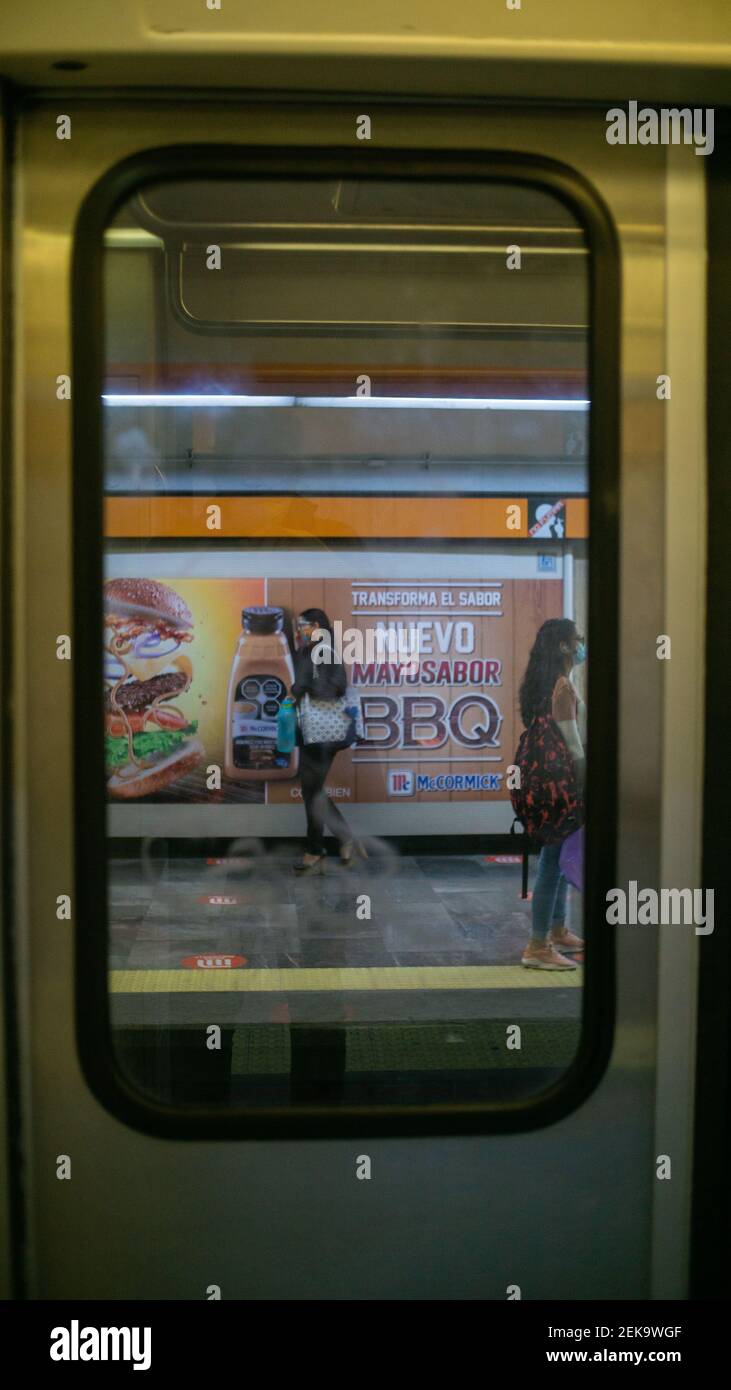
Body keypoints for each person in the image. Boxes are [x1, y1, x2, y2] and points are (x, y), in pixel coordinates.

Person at [518, 618, 587, 969]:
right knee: (551, 863)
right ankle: (537, 946)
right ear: (564, 646)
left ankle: (557, 930)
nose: (582, 645)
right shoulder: (562, 688)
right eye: (578, 640)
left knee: (557, 859)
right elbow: (574, 749)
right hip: (563, 787)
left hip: (543, 785)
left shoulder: (539, 685)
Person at [290, 608, 356, 873]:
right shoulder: (315, 647)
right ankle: (339, 841)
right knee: (311, 791)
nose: (299, 630)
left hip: (323, 734)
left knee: (312, 791)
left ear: (315, 624)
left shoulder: (323, 648)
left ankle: (316, 849)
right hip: (315, 732)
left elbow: (337, 684)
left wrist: (303, 687)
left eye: (302, 625)